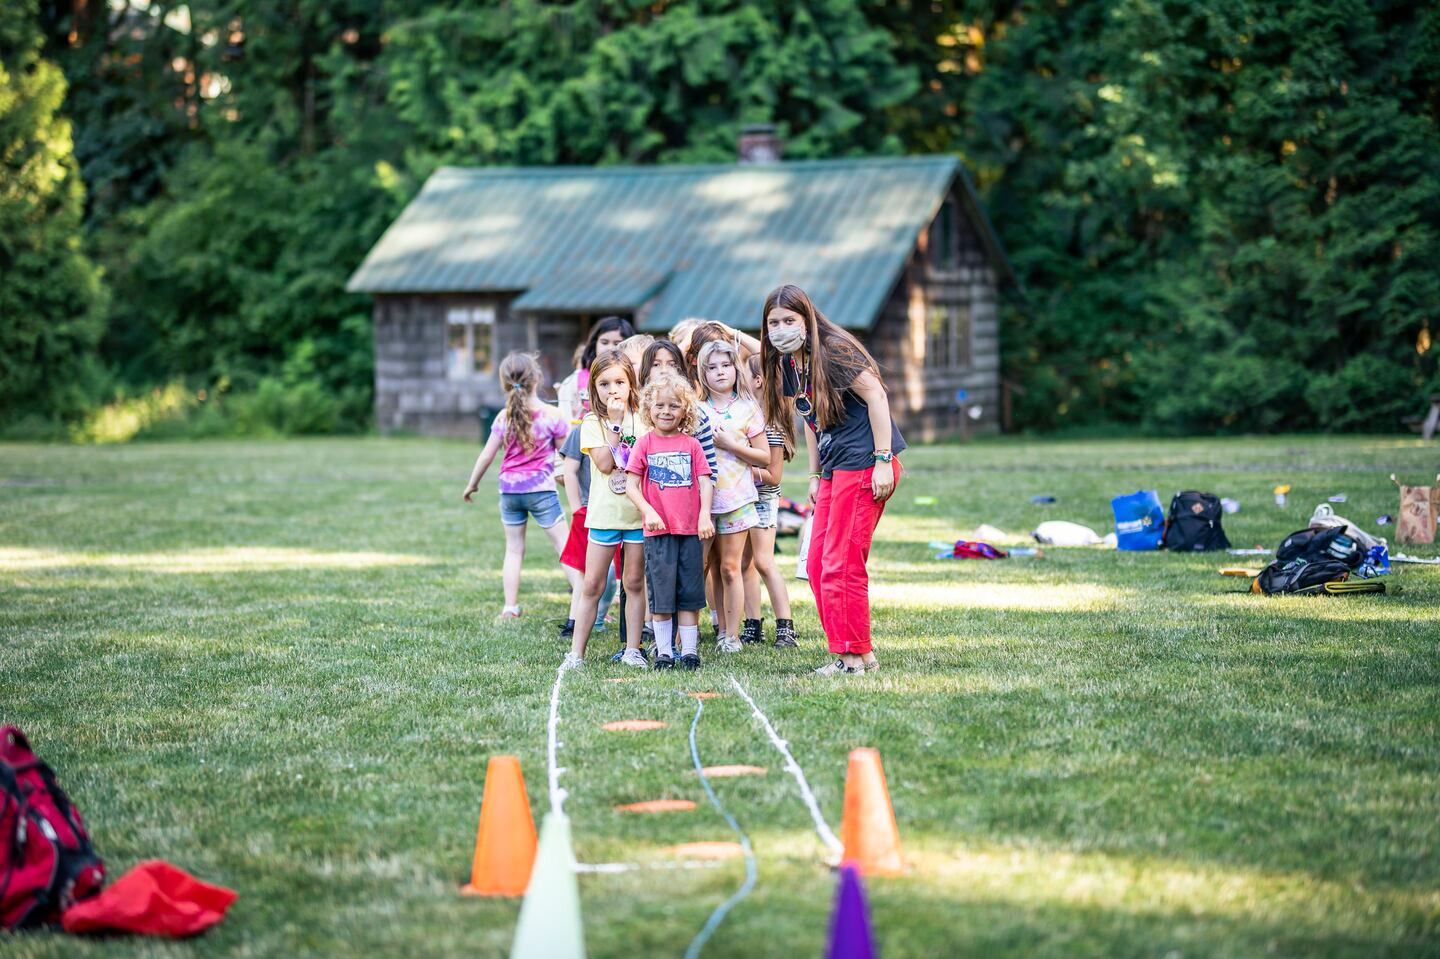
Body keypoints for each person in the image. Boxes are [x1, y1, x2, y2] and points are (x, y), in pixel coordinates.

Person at [758, 284, 906, 676]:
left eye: (788, 320)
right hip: (834, 468)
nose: (781, 329)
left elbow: (876, 397)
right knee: (817, 562)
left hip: (864, 463)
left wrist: (882, 460)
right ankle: (858, 654)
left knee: (842, 563)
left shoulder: (834, 350)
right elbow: (811, 417)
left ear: (807, 318)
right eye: (773, 323)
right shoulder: (792, 362)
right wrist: (815, 472)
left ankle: (851, 658)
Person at [462, 352, 579, 618]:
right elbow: (567, 452)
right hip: (541, 492)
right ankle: (584, 599)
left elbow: (487, 455)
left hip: (510, 492)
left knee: (514, 549)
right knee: (564, 546)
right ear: (537, 378)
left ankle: (510, 607)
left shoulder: (503, 417)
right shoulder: (552, 415)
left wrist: (472, 484)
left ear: (505, 383)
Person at [563, 350, 649, 669]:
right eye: (604, 384)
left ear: (631, 384)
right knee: (592, 585)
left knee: (634, 583)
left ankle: (632, 649)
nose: (612, 390)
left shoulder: (644, 419)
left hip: (637, 516)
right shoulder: (592, 422)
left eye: (619, 382)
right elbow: (603, 463)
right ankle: (576, 653)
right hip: (605, 515)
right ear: (593, 388)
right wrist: (614, 424)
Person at [624, 373, 714, 670]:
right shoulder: (644, 444)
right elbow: (631, 485)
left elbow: (705, 482)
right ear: (648, 408)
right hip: (658, 533)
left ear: (685, 410)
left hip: (690, 532)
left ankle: (689, 652)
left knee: (689, 595)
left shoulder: (692, 445)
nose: (666, 411)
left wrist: (704, 514)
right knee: (662, 596)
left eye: (674, 405)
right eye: (660, 405)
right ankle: (665, 652)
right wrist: (648, 511)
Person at [694, 338, 770, 653]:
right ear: (702, 373)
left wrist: (731, 445)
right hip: (701, 502)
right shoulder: (696, 409)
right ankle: (688, 634)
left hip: (736, 497)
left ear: (736, 368)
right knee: (700, 566)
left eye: (726, 365)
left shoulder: (747, 409)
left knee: (729, 567)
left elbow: (764, 456)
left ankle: (731, 635)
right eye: (712, 367)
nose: (720, 372)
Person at [740, 353, 797, 648]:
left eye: (743, 373)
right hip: (742, 499)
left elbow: (773, 476)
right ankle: (753, 624)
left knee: (763, 561)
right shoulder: (746, 417)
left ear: (758, 381)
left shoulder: (771, 424)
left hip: (762, 500)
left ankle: (786, 627)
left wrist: (738, 470)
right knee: (744, 563)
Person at [557, 419, 618, 639]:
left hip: (623, 510)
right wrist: (577, 509)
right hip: (589, 510)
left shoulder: (633, 424)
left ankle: (602, 618)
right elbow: (569, 471)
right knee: (587, 572)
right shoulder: (583, 429)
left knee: (622, 573)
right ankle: (574, 621)